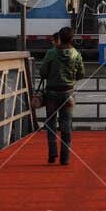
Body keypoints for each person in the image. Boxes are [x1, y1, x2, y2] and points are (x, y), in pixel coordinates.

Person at [34, 26, 84, 165]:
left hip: (51, 93)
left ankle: (52, 153)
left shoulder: (51, 53)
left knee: (50, 123)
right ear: (72, 38)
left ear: (59, 38)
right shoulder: (76, 54)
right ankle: (65, 157)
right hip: (68, 92)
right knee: (66, 124)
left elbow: (43, 72)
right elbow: (81, 74)